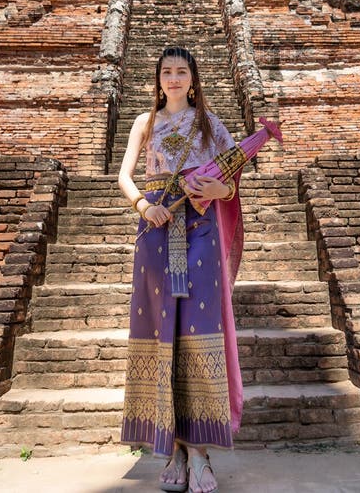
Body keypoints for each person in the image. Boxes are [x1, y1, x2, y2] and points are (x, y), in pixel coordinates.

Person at [118, 45, 244, 493]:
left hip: (200, 227)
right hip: (156, 225)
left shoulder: (211, 123)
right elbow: (124, 175)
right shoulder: (143, 122)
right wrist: (141, 205)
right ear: (158, 79)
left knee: (197, 330)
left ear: (193, 79)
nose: (174, 79)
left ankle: (200, 452)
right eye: (167, 72)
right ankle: (170, 446)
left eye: (181, 72)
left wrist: (220, 188)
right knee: (159, 331)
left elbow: (233, 176)